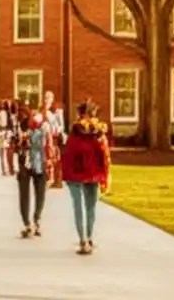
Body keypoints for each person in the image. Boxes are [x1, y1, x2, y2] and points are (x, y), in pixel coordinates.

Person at [63, 101, 111, 255]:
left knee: (80, 206)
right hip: (91, 174)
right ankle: (87, 238)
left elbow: (69, 154)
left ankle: (84, 239)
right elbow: (103, 154)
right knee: (89, 207)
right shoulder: (97, 134)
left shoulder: (76, 134)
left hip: (77, 174)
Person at [13, 105, 53, 238]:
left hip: (29, 162)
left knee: (30, 194)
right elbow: (49, 144)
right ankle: (33, 222)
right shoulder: (43, 126)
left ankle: (31, 223)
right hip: (35, 162)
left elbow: (14, 146)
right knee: (37, 193)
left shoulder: (39, 126)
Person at [42, 90, 66, 189]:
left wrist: (56, 131)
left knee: (56, 158)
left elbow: (62, 126)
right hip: (46, 137)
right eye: (46, 97)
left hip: (55, 137)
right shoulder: (44, 111)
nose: (47, 99)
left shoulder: (58, 111)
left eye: (49, 97)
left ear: (53, 98)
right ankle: (49, 178)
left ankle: (58, 181)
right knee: (47, 157)